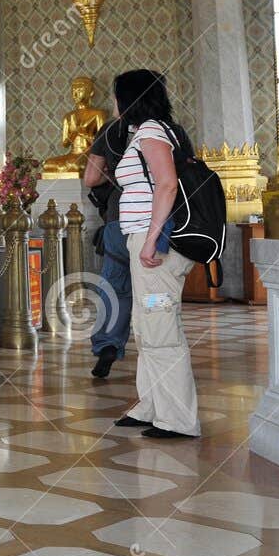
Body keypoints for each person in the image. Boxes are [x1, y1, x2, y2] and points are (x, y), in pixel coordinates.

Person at [108, 69, 199, 439]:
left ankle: (178, 419)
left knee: (161, 327)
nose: (111, 103)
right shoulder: (151, 131)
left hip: (156, 246)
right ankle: (150, 405)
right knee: (147, 325)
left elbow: (167, 184)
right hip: (147, 241)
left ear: (129, 99)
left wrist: (151, 239)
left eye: (115, 96)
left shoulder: (151, 131)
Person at [82, 117, 132, 378]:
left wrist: (115, 175)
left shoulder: (113, 128)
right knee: (155, 289)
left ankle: (107, 344)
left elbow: (91, 177)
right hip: (159, 221)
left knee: (116, 288)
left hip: (119, 217)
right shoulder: (169, 128)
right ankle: (157, 345)